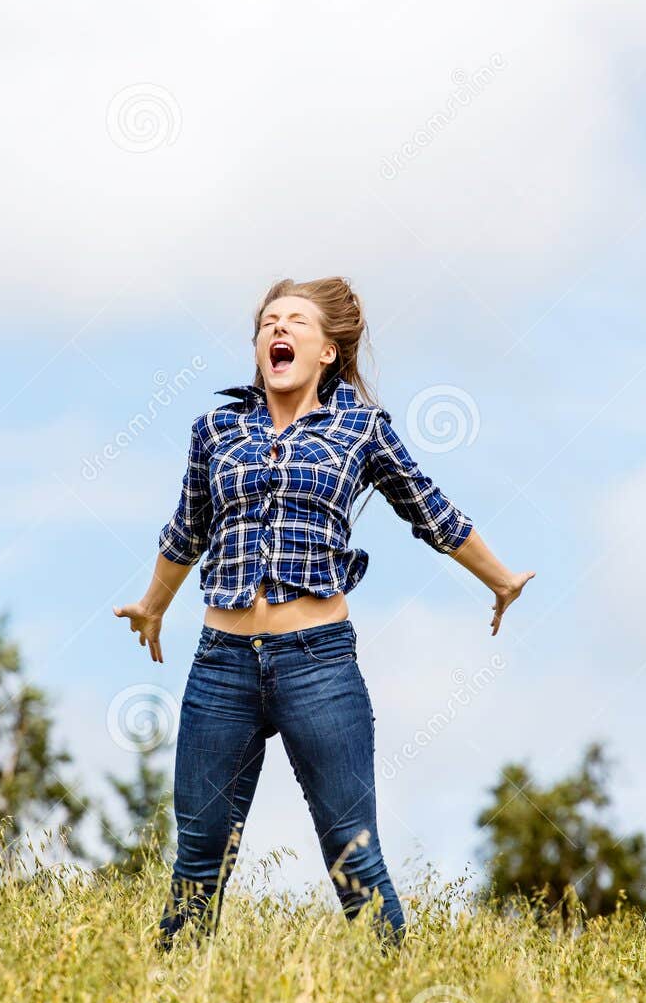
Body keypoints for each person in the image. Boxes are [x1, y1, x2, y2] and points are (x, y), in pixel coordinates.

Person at [115, 277, 534, 948]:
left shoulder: (359, 427)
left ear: (327, 352)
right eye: (266, 322)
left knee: (352, 854)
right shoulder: (215, 428)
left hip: (317, 663)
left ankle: (394, 993)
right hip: (219, 666)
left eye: (294, 322)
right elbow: (188, 529)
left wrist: (500, 578)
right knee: (197, 860)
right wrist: (152, 605)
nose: (276, 330)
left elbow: (426, 509)